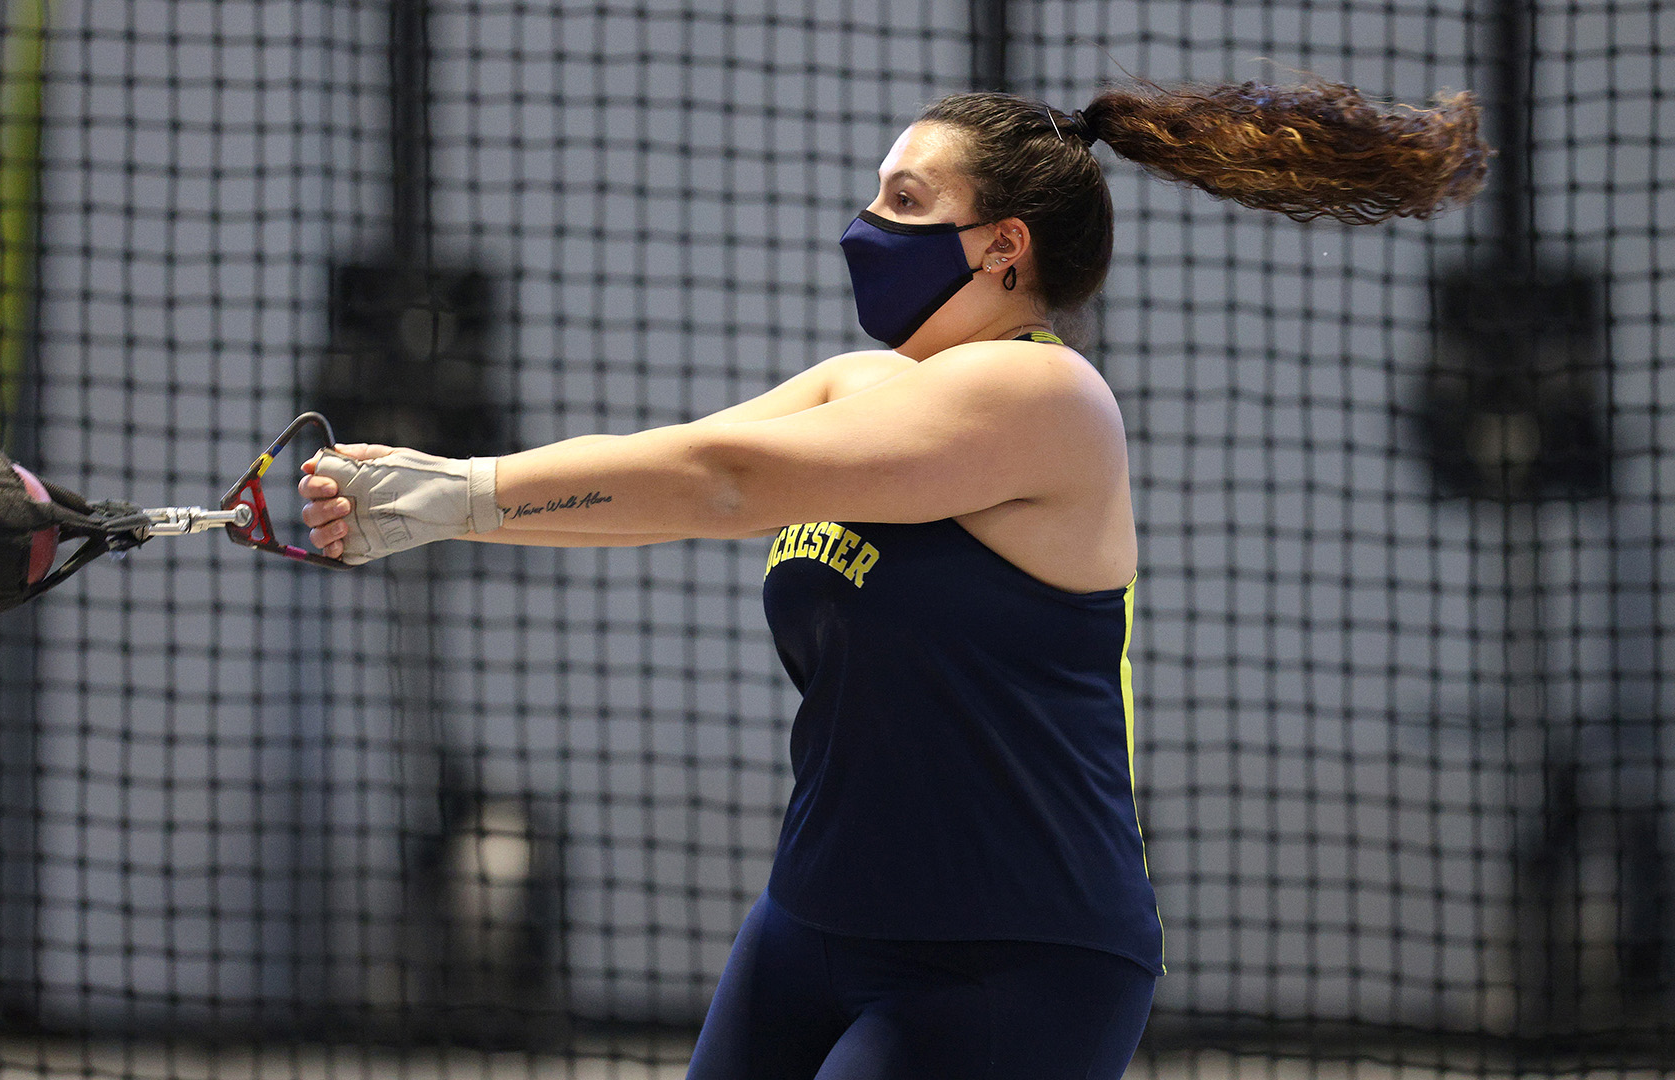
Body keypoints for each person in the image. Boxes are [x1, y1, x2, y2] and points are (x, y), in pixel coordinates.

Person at [299, 81, 1486, 1079]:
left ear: (1003, 246)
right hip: (812, 922)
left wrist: (457, 488)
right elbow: (661, 491)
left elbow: (724, 482)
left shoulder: (1046, 397)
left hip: (1010, 953)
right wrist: (427, 509)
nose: (867, 225)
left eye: (906, 203)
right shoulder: (854, 385)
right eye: (876, 197)